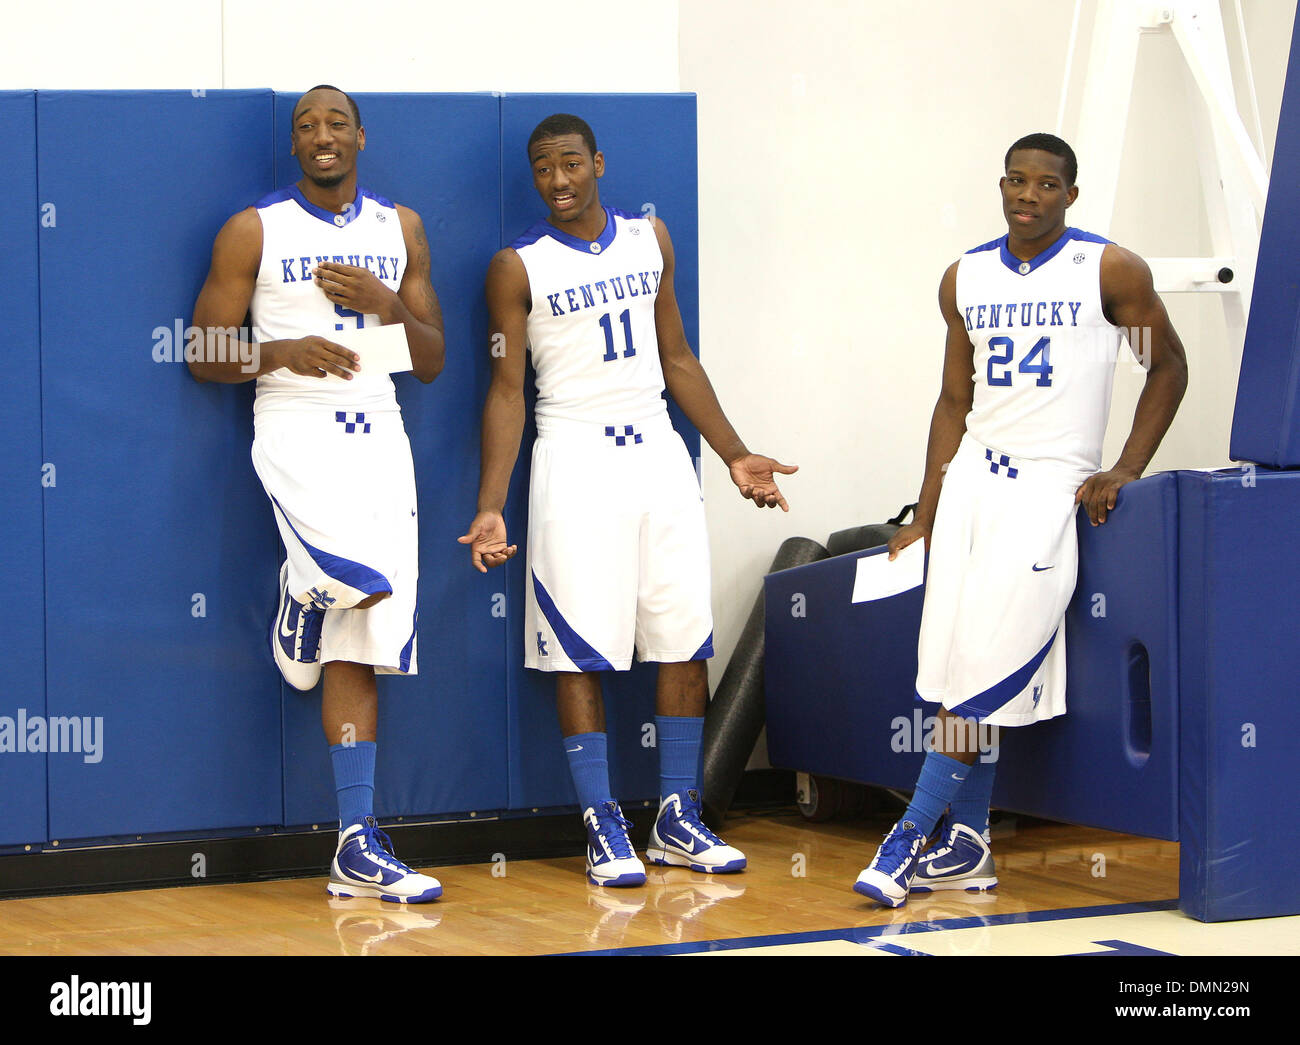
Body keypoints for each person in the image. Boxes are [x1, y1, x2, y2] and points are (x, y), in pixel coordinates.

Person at [459, 113, 796, 887]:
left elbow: (677, 357)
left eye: (571, 163)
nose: (559, 179)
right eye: (543, 168)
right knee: (580, 643)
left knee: (682, 634)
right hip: (573, 453)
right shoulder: (515, 267)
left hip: (657, 449)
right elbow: (507, 390)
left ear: (598, 162)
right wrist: (491, 502)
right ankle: (601, 821)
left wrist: (735, 452)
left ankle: (678, 815)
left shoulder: (652, 239)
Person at [854, 132, 1188, 907]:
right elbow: (952, 400)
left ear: (1071, 195)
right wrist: (925, 510)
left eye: (1044, 184)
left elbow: (1166, 364)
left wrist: (1126, 467)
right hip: (972, 480)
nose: (1026, 195)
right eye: (1014, 180)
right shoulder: (964, 277)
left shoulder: (1107, 270)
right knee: (951, 666)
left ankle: (907, 836)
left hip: (1048, 488)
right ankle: (969, 843)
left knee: (983, 673)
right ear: (999, 186)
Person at [189, 85, 447, 903]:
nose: (322, 135)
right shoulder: (254, 228)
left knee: (362, 636)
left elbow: (434, 359)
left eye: (336, 122)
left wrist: (387, 304)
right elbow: (199, 349)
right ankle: (303, 591)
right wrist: (280, 350)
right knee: (353, 579)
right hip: (297, 425)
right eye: (307, 125)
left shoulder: (399, 227)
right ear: (294, 145)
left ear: (362, 136)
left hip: (381, 424)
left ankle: (355, 841)